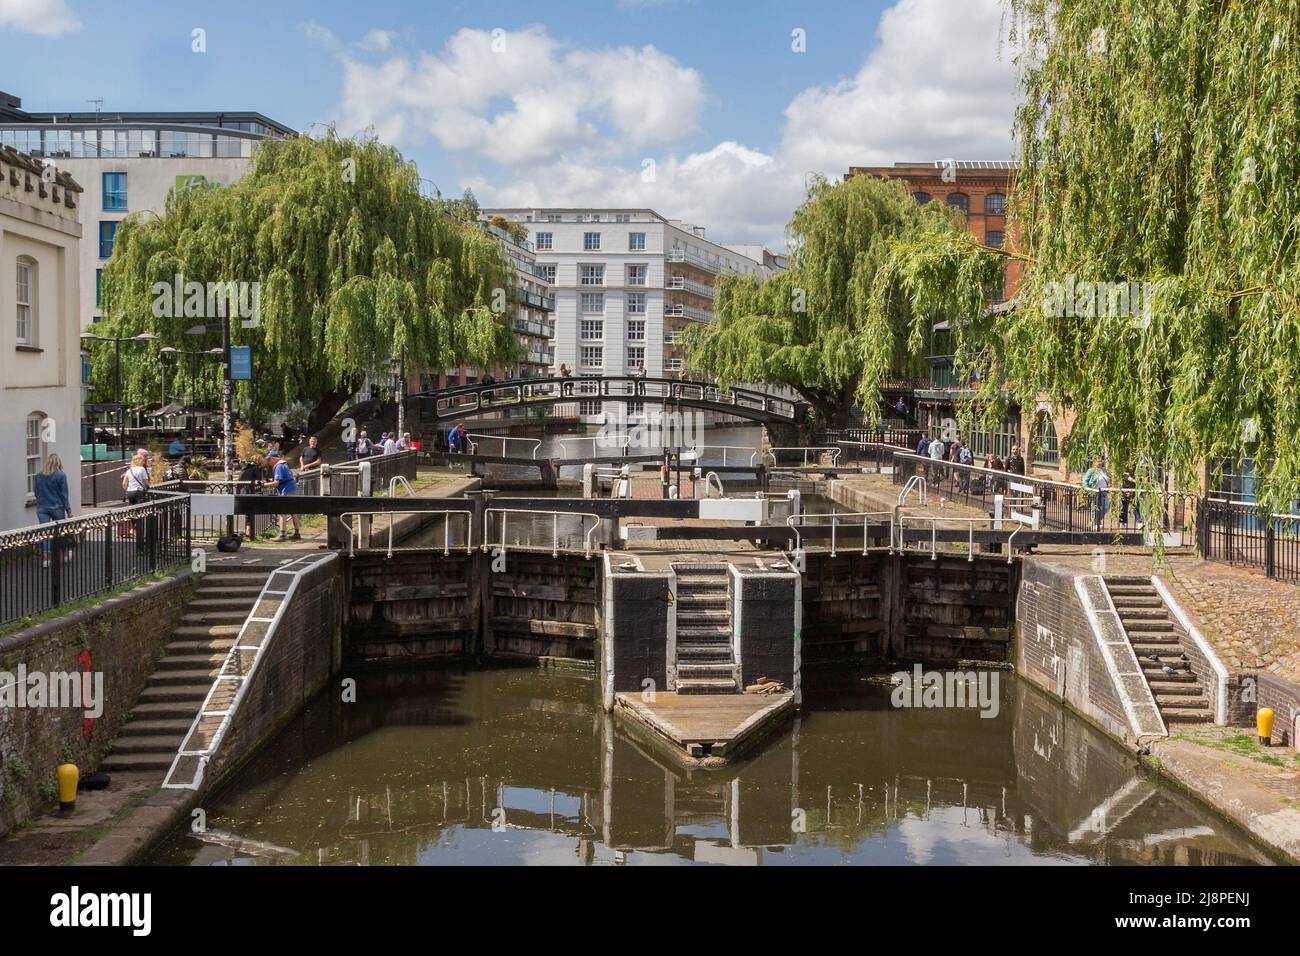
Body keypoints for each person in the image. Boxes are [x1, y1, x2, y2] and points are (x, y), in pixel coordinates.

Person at [34, 453, 73, 567]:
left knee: (45, 533)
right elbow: (64, 495)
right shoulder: (61, 475)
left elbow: (36, 492)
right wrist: (68, 510)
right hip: (57, 507)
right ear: (58, 462)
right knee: (62, 531)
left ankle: (46, 559)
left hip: (42, 508)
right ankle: (65, 555)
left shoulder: (39, 476)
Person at [265, 455, 301, 542]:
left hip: (287, 490)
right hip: (292, 488)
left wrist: (264, 485)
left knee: (282, 512)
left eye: (269, 461)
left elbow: (277, 483)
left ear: (273, 459)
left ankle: (282, 535)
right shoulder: (284, 465)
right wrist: (270, 480)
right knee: (293, 512)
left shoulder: (279, 466)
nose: (269, 464)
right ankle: (297, 533)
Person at [238, 454, 265, 539]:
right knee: (250, 511)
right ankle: (249, 532)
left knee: (247, 511)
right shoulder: (256, 468)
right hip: (249, 490)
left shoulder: (245, 467)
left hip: (241, 490)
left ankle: (247, 530)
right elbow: (259, 480)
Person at [1083, 457, 1109, 531]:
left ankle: (1097, 520)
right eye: (1098, 461)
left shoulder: (1104, 470)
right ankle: (1095, 523)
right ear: (1094, 462)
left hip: (1104, 491)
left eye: (1101, 461)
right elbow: (1085, 481)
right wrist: (1089, 490)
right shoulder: (1091, 471)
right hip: (1095, 492)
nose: (1100, 463)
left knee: (1106, 507)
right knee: (1095, 508)